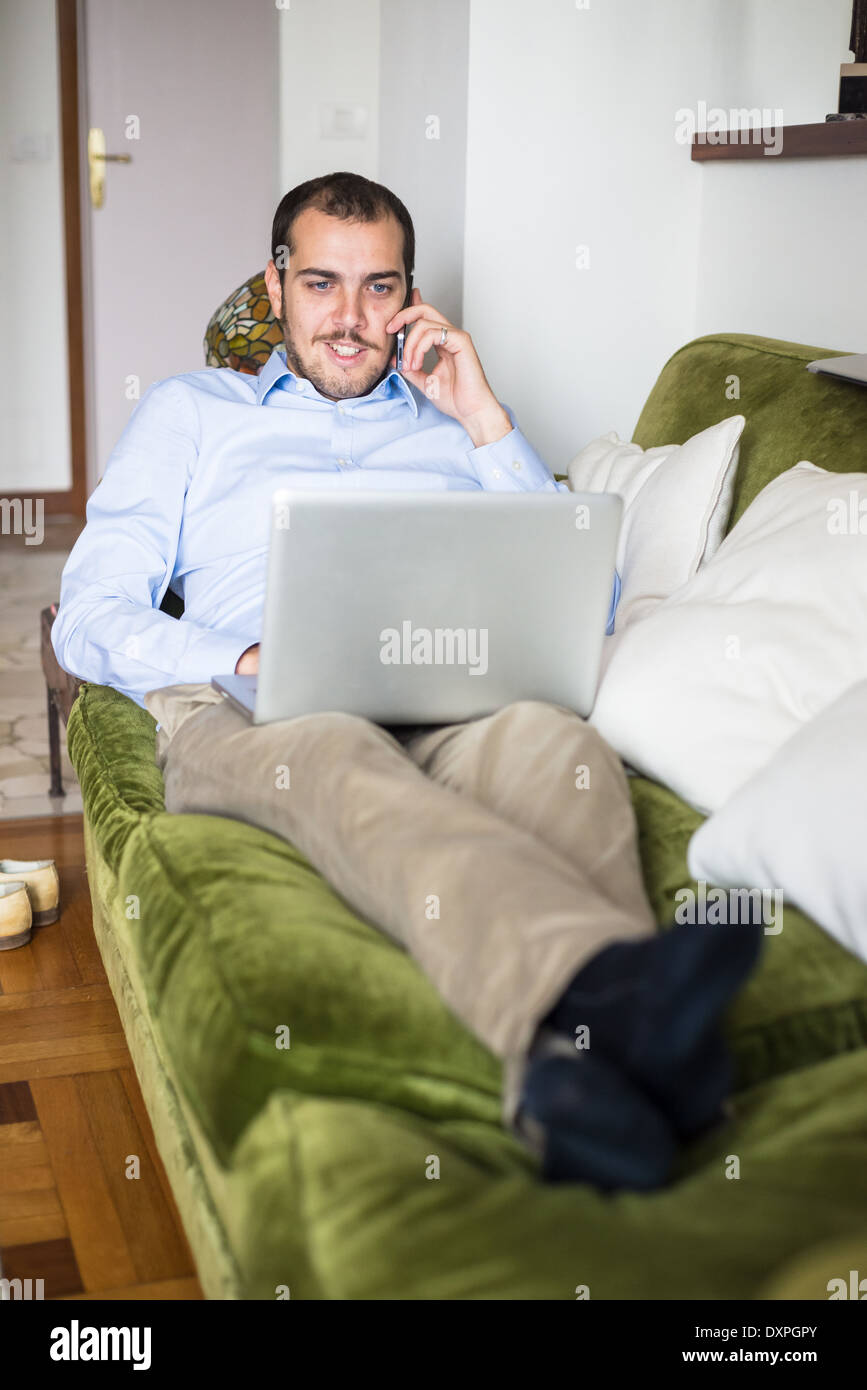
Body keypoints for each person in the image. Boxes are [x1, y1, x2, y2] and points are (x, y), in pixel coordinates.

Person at [53, 171, 762, 1190]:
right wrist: (244, 657)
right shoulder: (190, 413)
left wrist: (483, 416)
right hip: (257, 703)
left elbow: (588, 609)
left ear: (412, 295)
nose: (350, 319)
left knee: (553, 742)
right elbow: (89, 614)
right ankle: (624, 1018)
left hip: (447, 687)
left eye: (379, 287)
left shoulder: (453, 421)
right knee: (334, 755)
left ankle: (571, 1088)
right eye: (323, 285)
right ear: (276, 284)